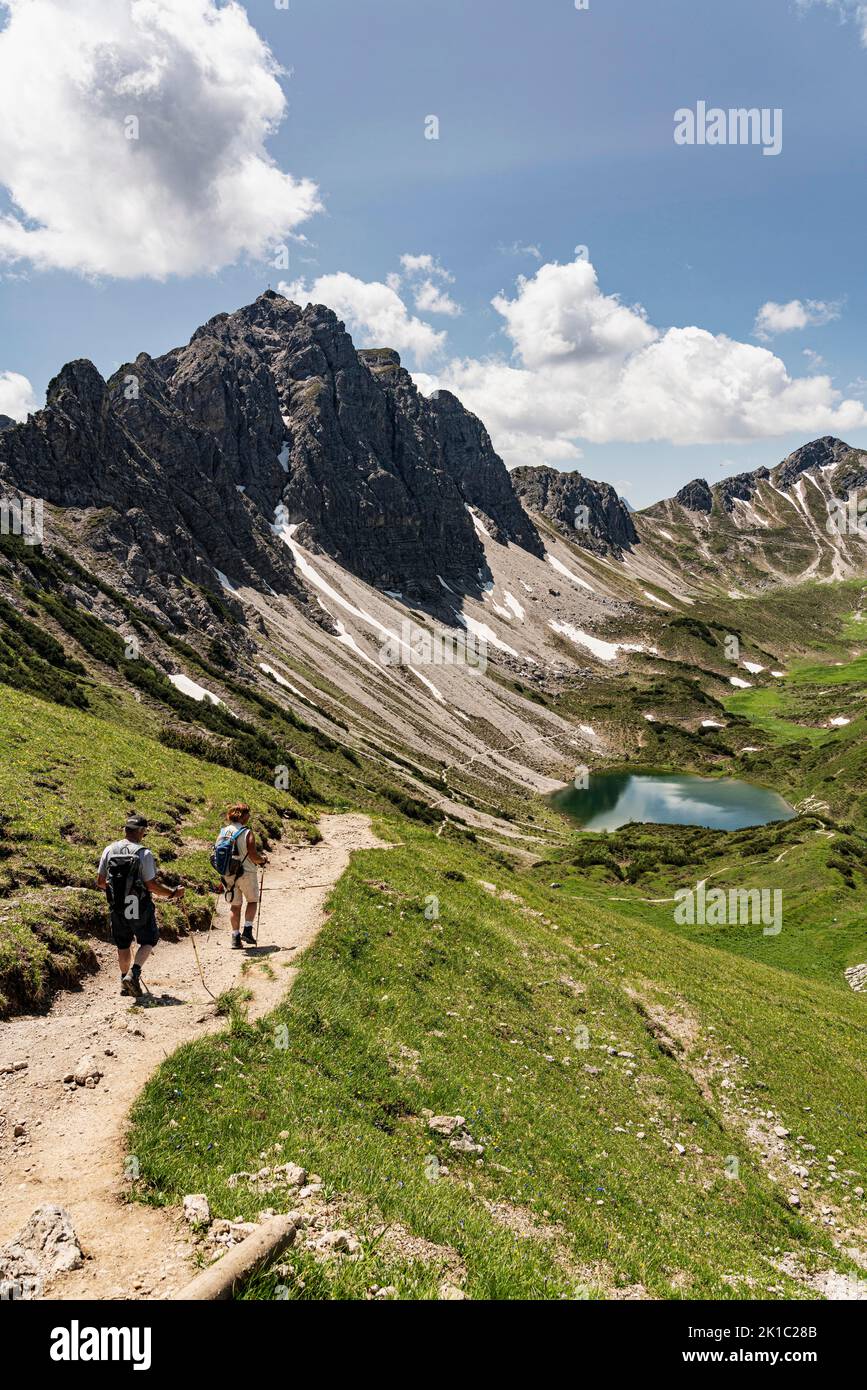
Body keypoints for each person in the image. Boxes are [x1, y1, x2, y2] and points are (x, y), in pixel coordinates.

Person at [97, 813, 185, 998]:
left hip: (117, 906)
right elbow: (151, 885)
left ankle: (123, 982)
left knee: (123, 943)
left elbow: (100, 881)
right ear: (141, 831)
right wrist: (172, 893)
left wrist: (117, 892)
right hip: (138, 905)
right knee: (148, 939)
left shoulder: (109, 850)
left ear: (125, 830)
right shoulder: (143, 853)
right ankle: (134, 974)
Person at [214, 803, 268, 949]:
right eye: (248, 814)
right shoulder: (246, 832)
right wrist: (262, 860)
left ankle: (235, 938)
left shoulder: (223, 831)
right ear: (242, 816)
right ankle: (248, 930)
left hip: (228, 874)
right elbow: (253, 855)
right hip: (246, 872)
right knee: (252, 900)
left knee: (235, 906)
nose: (249, 816)